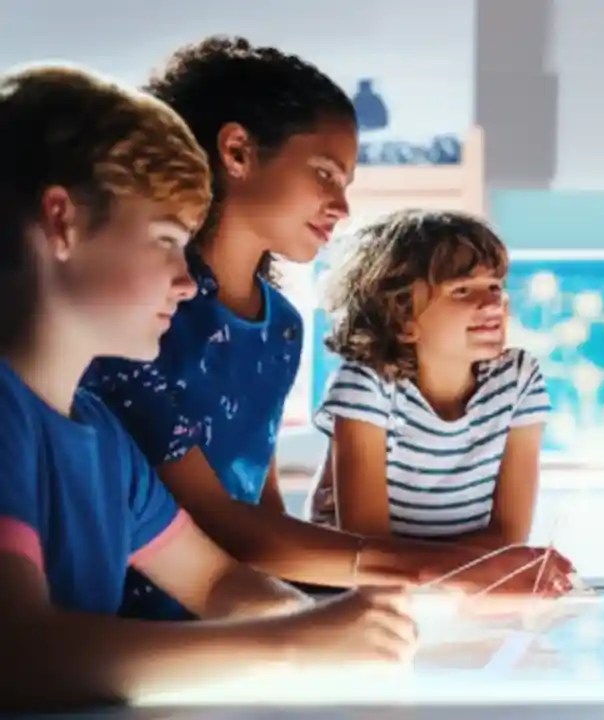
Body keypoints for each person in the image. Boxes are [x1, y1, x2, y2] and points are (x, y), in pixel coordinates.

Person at [81, 37, 571, 621]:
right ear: (237, 151)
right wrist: (439, 571)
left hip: (229, 624)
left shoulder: (282, 326)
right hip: (130, 629)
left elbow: (262, 517)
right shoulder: (145, 313)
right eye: (324, 174)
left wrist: (301, 617)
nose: (340, 205)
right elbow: (218, 523)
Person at [0, 63, 417, 713]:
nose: (188, 280)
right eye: (167, 241)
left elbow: (217, 578)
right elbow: (19, 653)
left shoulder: (101, 436)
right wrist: (291, 644)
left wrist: (337, 631)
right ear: (63, 223)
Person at [306, 209, 552, 551]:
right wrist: (465, 570)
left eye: (494, 286)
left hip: (456, 587)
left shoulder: (519, 380)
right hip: (356, 590)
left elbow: (509, 537)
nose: (493, 301)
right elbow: (369, 549)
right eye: (463, 289)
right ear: (403, 316)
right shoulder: (367, 385)